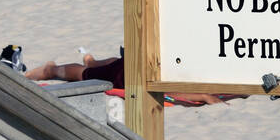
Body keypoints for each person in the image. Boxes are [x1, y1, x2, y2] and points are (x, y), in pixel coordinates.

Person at [24, 50, 229, 106]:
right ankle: (50, 71)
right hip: (132, 73)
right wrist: (202, 95)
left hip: (138, 62)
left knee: (112, 64)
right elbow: (162, 88)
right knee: (84, 75)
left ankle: (92, 61)